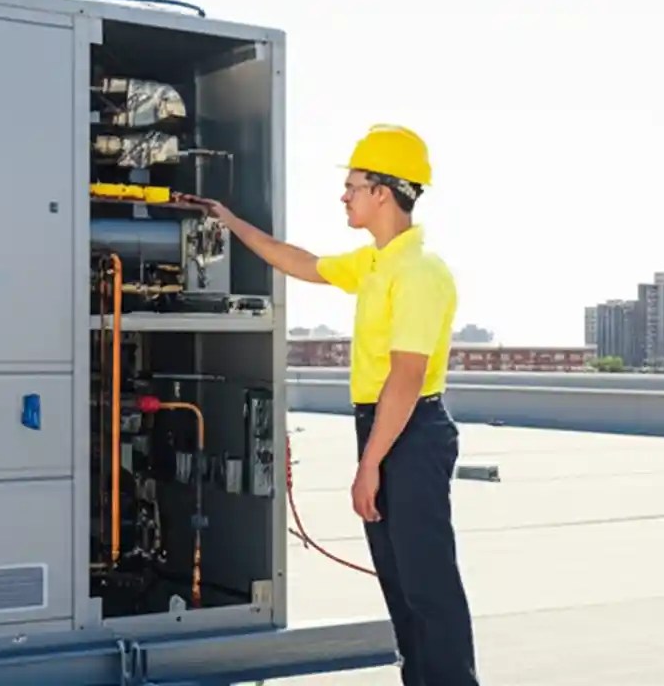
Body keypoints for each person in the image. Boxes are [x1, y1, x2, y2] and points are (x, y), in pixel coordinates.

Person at [178, 124, 479, 685]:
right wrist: (230, 222)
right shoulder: (375, 263)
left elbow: (407, 377)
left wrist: (370, 465)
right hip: (387, 430)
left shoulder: (419, 272)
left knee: (428, 588)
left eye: (353, 186)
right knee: (400, 586)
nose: (344, 196)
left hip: (410, 432)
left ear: (383, 192)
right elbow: (300, 262)